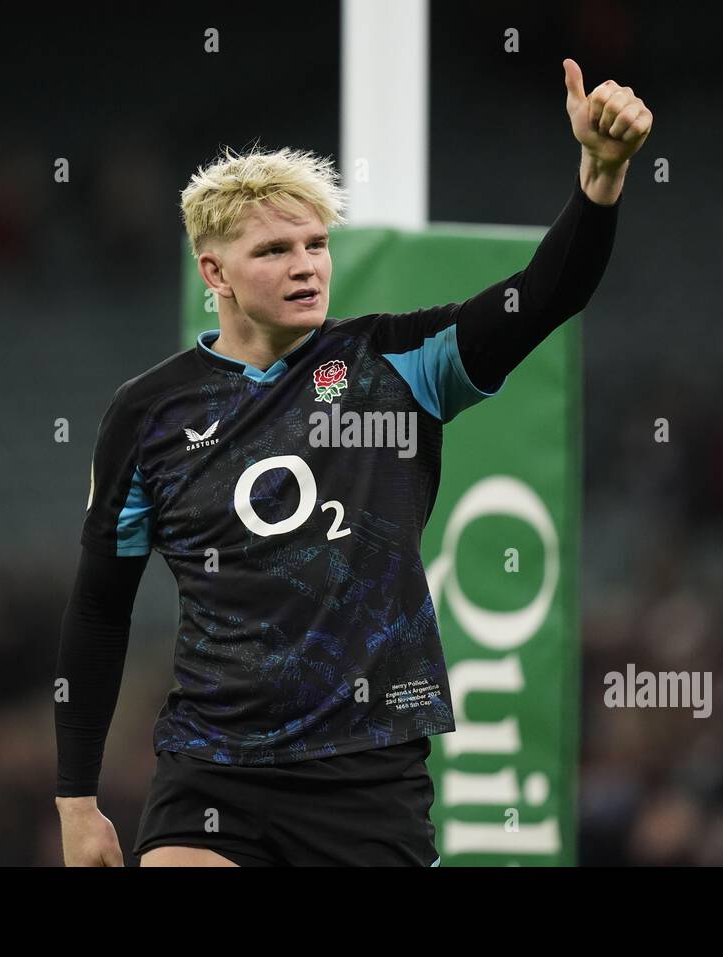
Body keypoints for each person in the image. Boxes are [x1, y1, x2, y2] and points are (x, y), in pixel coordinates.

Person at [54, 58, 651, 866]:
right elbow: (99, 608)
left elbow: (549, 293)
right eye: (274, 249)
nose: (306, 264)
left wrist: (601, 178)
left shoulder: (398, 360)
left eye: (316, 243)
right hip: (214, 769)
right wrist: (78, 800)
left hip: (368, 772)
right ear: (214, 273)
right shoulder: (147, 413)